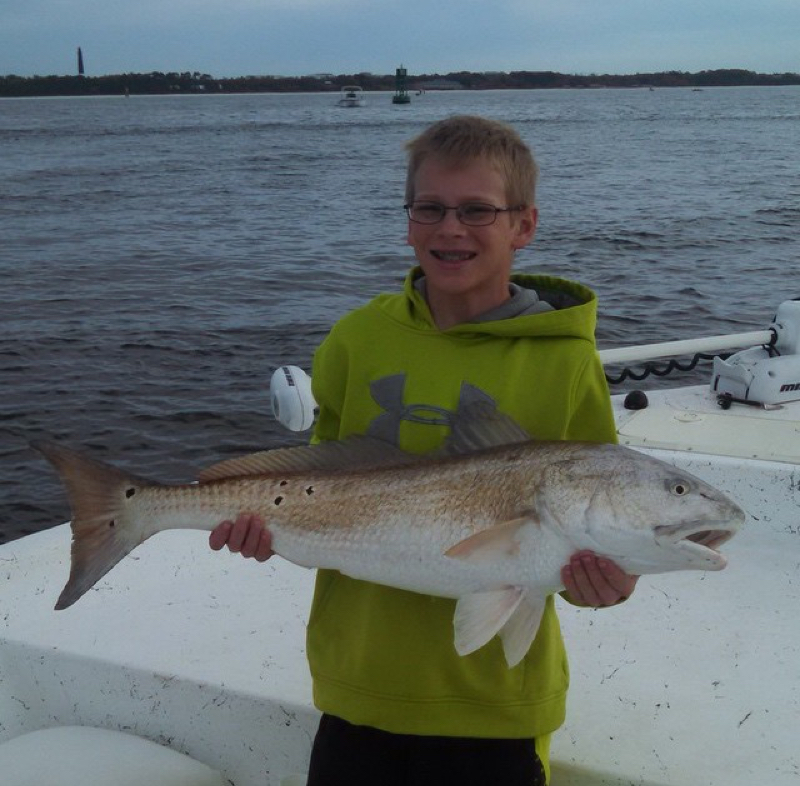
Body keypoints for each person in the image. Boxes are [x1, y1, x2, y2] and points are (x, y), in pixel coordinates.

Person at [209, 115, 638, 785]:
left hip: (493, 699)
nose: (450, 229)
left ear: (523, 225)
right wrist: (269, 528)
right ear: (408, 219)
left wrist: (607, 580)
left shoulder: (565, 361)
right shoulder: (357, 337)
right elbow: (323, 479)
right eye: (430, 208)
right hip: (357, 683)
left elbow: (596, 515)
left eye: (477, 211)